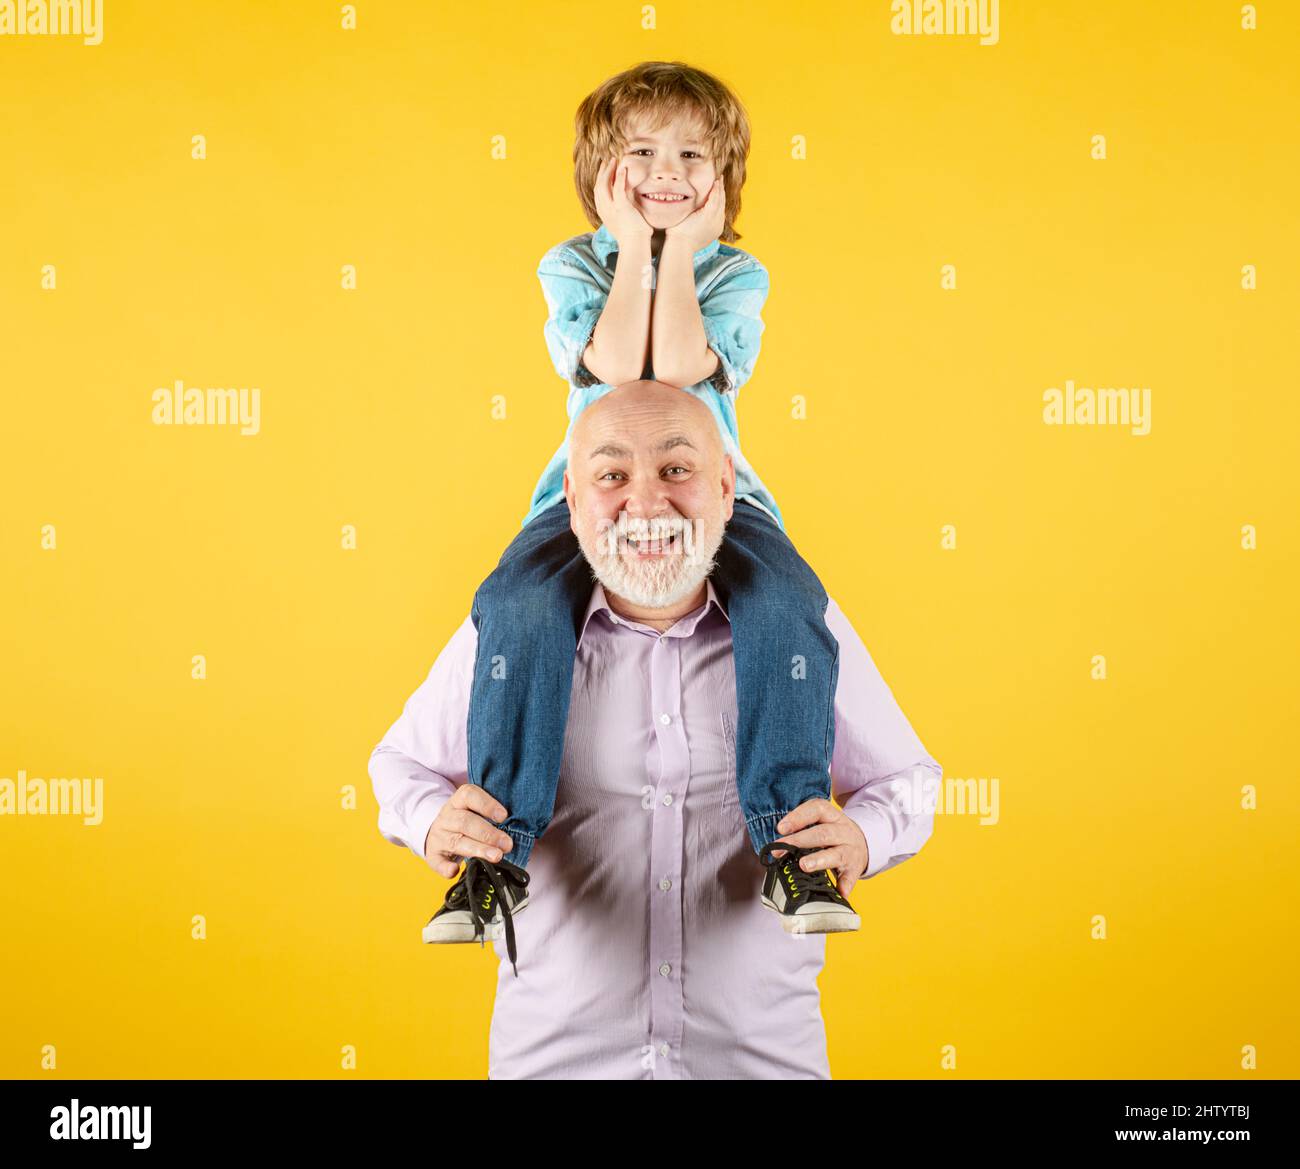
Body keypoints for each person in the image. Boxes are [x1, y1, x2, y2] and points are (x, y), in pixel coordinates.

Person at [369, 382, 941, 1079]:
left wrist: (865, 836)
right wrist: (433, 820)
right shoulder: (510, 641)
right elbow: (398, 763)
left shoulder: (798, 637)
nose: (644, 503)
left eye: (676, 470)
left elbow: (908, 781)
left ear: (727, 488)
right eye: (612, 475)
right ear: (571, 502)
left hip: (763, 1063)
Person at [457, 62, 844, 959]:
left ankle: (790, 841)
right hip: (583, 500)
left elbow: (672, 373)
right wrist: (633, 247)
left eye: (689, 154)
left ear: (724, 177)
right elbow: (613, 372)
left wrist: (674, 253)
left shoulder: (736, 274)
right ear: (602, 173)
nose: (664, 170)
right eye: (639, 153)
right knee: (518, 605)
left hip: (710, 497)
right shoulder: (573, 264)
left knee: (787, 605)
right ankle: (498, 850)